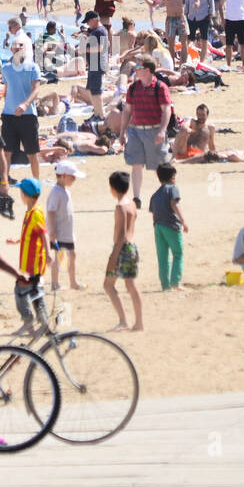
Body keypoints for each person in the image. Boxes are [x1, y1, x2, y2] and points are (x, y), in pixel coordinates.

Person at [118, 56, 172, 208]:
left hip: (154, 130)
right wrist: (122, 132)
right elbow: (127, 111)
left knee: (160, 166)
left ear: (147, 70)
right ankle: (136, 198)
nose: (135, 70)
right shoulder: (133, 87)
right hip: (136, 130)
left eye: (138, 68)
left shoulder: (160, 87)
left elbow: (166, 110)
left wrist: (162, 131)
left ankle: (167, 196)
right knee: (136, 164)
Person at [103, 170, 143, 332]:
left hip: (122, 249)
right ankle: (138, 322)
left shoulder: (120, 207)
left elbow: (121, 235)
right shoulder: (132, 204)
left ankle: (123, 320)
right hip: (132, 247)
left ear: (112, 188)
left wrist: (113, 257)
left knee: (108, 285)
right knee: (131, 286)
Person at [8, 178, 49, 334]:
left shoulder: (36, 213)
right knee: (33, 291)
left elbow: (44, 234)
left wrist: (49, 255)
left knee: (21, 289)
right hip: (29, 261)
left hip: (33, 262)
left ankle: (29, 321)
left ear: (24, 194)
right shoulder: (31, 211)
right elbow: (32, 235)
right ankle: (43, 323)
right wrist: (17, 240)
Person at [1, 36, 43, 181]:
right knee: (6, 152)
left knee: (32, 153)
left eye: (20, 46)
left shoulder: (33, 67)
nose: (17, 48)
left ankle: (36, 181)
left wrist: (25, 104)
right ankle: (4, 180)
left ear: (24, 48)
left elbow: (36, 90)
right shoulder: (5, 68)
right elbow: (6, 88)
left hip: (28, 115)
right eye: (15, 46)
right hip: (8, 115)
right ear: (11, 49)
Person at [44, 161, 84, 291]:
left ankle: (73, 282)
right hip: (59, 232)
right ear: (64, 176)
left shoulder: (64, 191)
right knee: (60, 257)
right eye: (72, 176)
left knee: (72, 255)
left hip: (67, 232)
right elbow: (50, 212)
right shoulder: (56, 192)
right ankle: (55, 283)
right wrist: (52, 232)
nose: (75, 179)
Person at [148, 162, 187, 292]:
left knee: (162, 257)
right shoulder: (173, 189)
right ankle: (175, 282)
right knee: (178, 253)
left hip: (158, 227)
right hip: (171, 226)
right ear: (172, 178)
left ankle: (165, 285)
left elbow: (153, 211)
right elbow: (174, 204)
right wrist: (183, 221)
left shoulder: (155, 194)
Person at [81, 11, 109, 120]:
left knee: (96, 91)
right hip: (94, 64)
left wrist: (85, 49)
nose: (88, 24)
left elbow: (100, 48)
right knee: (93, 90)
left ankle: (100, 115)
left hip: (97, 64)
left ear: (94, 19)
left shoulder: (100, 31)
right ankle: (97, 113)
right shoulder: (97, 31)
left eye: (88, 21)